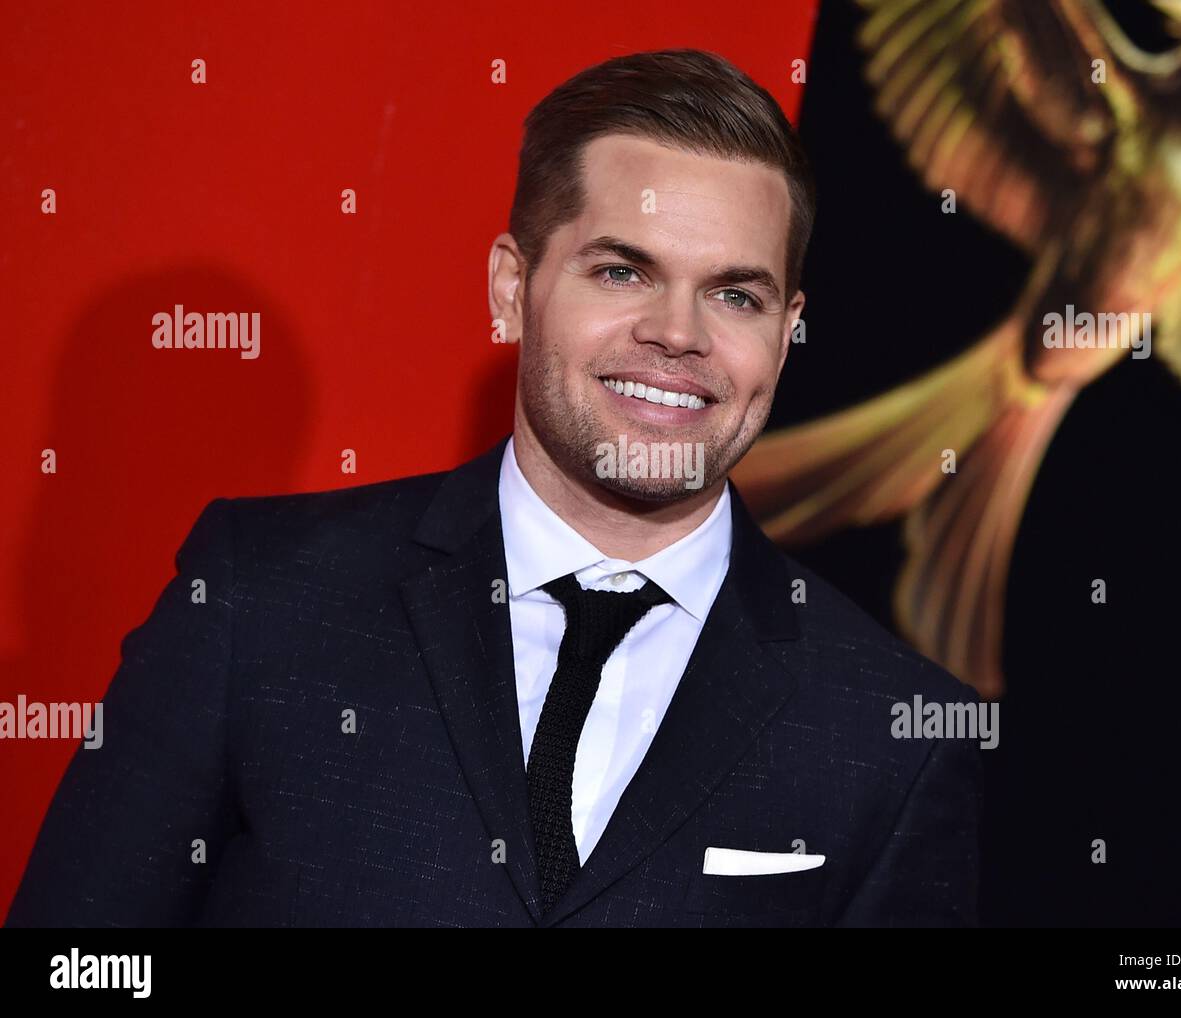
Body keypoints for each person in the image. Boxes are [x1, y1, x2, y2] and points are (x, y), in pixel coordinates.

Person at [6, 48, 981, 928]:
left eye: (734, 293)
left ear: (788, 325)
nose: (678, 335)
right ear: (511, 287)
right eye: (621, 271)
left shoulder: (889, 733)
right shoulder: (261, 601)